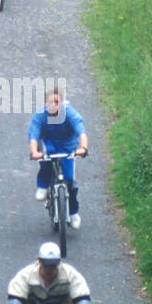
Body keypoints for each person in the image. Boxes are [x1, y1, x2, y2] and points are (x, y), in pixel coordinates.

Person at [28, 87, 88, 228]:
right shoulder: (40, 116)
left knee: (70, 181)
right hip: (49, 142)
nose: (54, 105)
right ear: (45, 103)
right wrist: (34, 152)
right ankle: (43, 185)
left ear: (62, 103)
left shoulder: (70, 114)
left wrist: (83, 148)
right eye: (50, 101)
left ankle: (73, 213)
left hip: (67, 145)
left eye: (57, 102)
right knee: (46, 160)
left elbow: (81, 132)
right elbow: (34, 136)